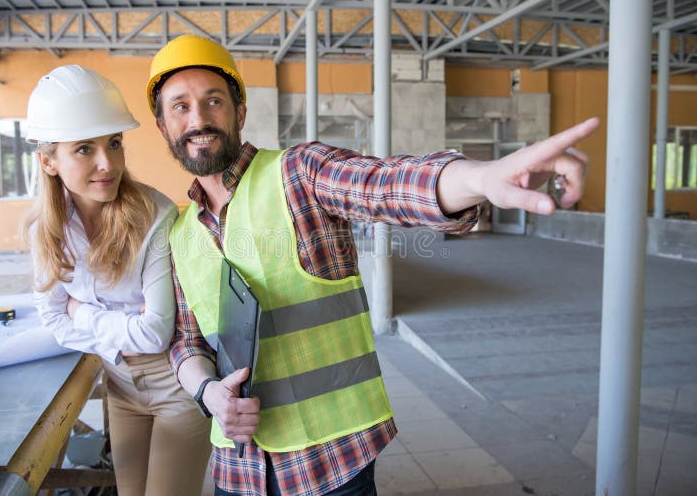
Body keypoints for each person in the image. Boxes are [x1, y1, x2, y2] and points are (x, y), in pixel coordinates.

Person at [146, 34, 598, 496]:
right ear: (163, 126)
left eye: (213, 100)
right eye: (179, 106)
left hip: (332, 464)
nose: (198, 118)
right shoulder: (179, 235)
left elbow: (384, 184)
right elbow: (186, 342)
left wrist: (481, 177)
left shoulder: (299, 175)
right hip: (237, 469)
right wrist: (208, 393)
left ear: (240, 112)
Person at [24, 64, 211, 495]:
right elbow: (53, 323)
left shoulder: (155, 214)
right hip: (120, 386)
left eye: (114, 143)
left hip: (175, 385)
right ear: (49, 161)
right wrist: (104, 324)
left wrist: (81, 312)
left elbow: (155, 332)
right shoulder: (45, 230)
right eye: (84, 149)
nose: (107, 163)